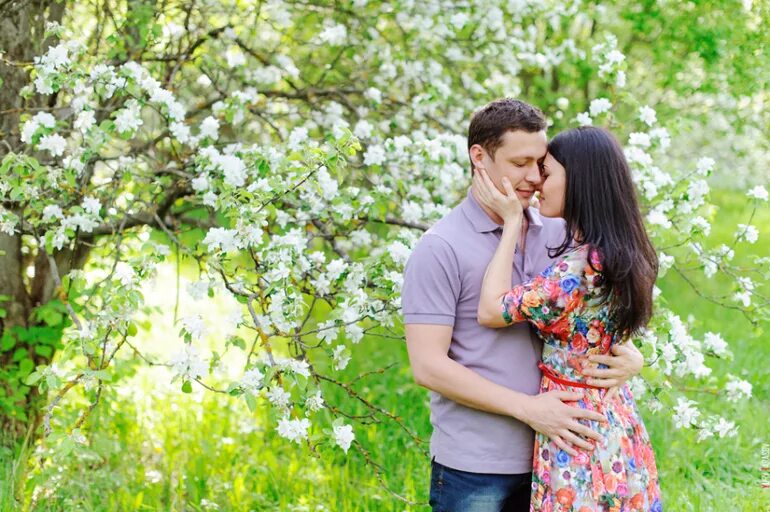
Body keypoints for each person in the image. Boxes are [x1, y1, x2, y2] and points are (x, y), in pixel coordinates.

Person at [401, 98, 644, 511]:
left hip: (559, 455)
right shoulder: (439, 248)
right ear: (479, 157)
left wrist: (632, 357)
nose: (533, 177)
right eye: (520, 163)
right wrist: (529, 409)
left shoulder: (560, 234)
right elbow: (428, 366)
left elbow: (593, 315)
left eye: (541, 164)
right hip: (478, 464)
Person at [475, 125, 662, 511]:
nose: (538, 181)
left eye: (548, 170)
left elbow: (492, 310)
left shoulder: (576, 269)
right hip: (614, 418)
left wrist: (511, 222)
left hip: (576, 431)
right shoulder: (616, 252)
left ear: (578, 181)